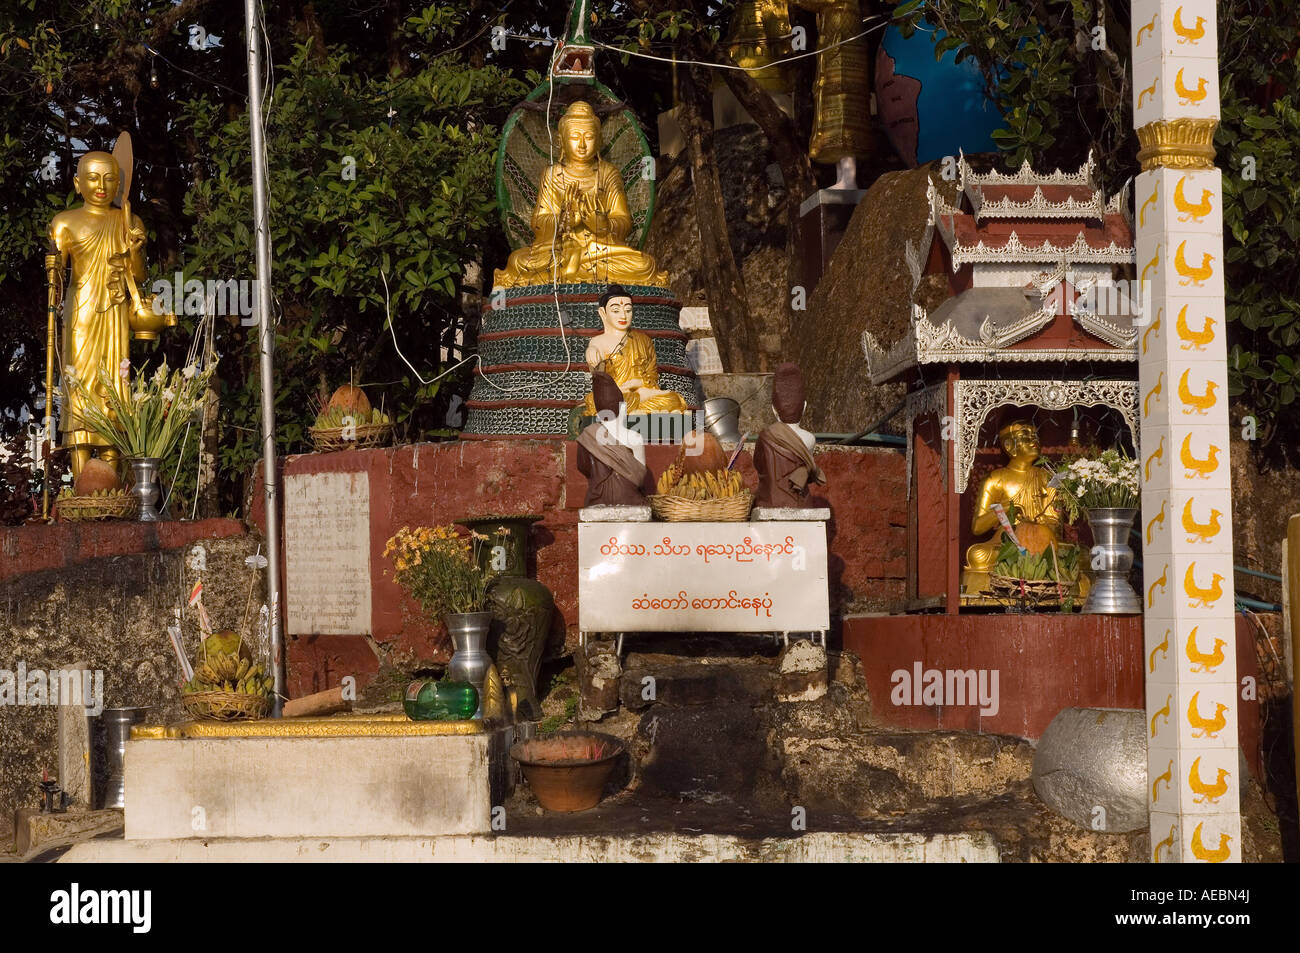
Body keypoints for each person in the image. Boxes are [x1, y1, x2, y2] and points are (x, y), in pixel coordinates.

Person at [494, 101, 669, 288]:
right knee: (518, 262)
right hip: (559, 250)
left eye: (589, 137)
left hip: (599, 251)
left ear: (599, 140)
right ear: (562, 141)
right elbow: (539, 221)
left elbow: (624, 221)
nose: (583, 144)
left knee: (645, 265)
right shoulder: (553, 174)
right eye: (575, 137)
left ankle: (572, 272)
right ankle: (574, 270)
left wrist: (601, 224)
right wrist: (563, 221)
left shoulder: (608, 173)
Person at [48, 151, 145, 479]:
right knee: (79, 385)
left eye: (109, 179)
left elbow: (139, 275)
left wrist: (133, 248)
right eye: (92, 178)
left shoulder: (127, 220)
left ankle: (111, 484)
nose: (101, 186)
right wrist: (53, 271)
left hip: (115, 312)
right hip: (81, 315)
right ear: (78, 183)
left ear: (119, 183)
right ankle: (81, 483)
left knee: (114, 387)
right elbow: (57, 278)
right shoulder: (64, 222)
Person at [962, 420, 1063, 594]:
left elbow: (1056, 523)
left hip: (1042, 543)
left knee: (1078, 555)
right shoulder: (995, 479)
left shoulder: (1048, 478)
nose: (1034, 440)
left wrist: (1034, 524)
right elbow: (977, 527)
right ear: (1009, 445)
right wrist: (1001, 509)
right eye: (1025, 436)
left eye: (1035, 435)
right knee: (977, 555)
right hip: (1006, 542)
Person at [579, 284, 688, 415]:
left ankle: (639, 402)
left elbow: (652, 376)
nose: (623, 316)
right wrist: (591, 352)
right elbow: (599, 378)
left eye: (628, 310)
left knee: (674, 399)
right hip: (614, 395)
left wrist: (640, 383)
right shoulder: (597, 342)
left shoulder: (643, 340)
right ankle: (641, 402)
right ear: (603, 313)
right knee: (595, 401)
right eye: (615, 311)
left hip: (639, 392)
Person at [754, 362, 826, 507]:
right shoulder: (810, 439)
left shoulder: (765, 437)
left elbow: (759, 467)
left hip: (770, 502)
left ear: (773, 410)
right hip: (802, 502)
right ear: (805, 407)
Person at [576, 372, 649, 507]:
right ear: (623, 408)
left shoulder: (587, 437)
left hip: (596, 501)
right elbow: (639, 478)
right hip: (629, 501)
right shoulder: (635, 438)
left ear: (597, 412)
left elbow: (583, 467)